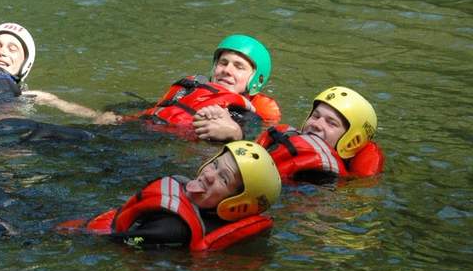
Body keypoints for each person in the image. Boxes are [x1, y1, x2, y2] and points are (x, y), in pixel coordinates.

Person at [27, 34, 281, 143]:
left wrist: (235, 134)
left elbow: (256, 144)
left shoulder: (245, 114)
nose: (227, 69)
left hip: (154, 150)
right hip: (132, 132)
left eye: (238, 66)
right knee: (36, 134)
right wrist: (55, 102)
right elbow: (138, 117)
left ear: (255, 80)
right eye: (223, 62)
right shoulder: (187, 90)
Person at [60, 140, 282, 251]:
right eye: (214, 165)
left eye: (224, 179)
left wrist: (67, 234)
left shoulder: (174, 229)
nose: (209, 175)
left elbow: (115, 243)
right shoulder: (192, 207)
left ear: (238, 205)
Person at [259, 86, 384, 182]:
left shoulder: (339, 183)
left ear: (352, 141)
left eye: (331, 123)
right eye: (315, 116)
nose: (317, 124)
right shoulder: (279, 139)